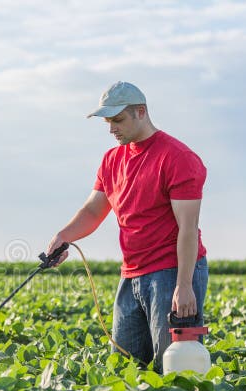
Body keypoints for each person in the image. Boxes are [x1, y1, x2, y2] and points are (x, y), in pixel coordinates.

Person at [47, 81, 208, 373]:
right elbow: (93, 210)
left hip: (172, 273)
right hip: (131, 275)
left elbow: (188, 227)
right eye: (108, 122)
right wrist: (63, 237)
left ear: (141, 112)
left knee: (172, 369)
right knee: (125, 366)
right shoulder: (112, 160)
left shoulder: (177, 158)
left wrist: (184, 287)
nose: (112, 129)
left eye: (118, 120)